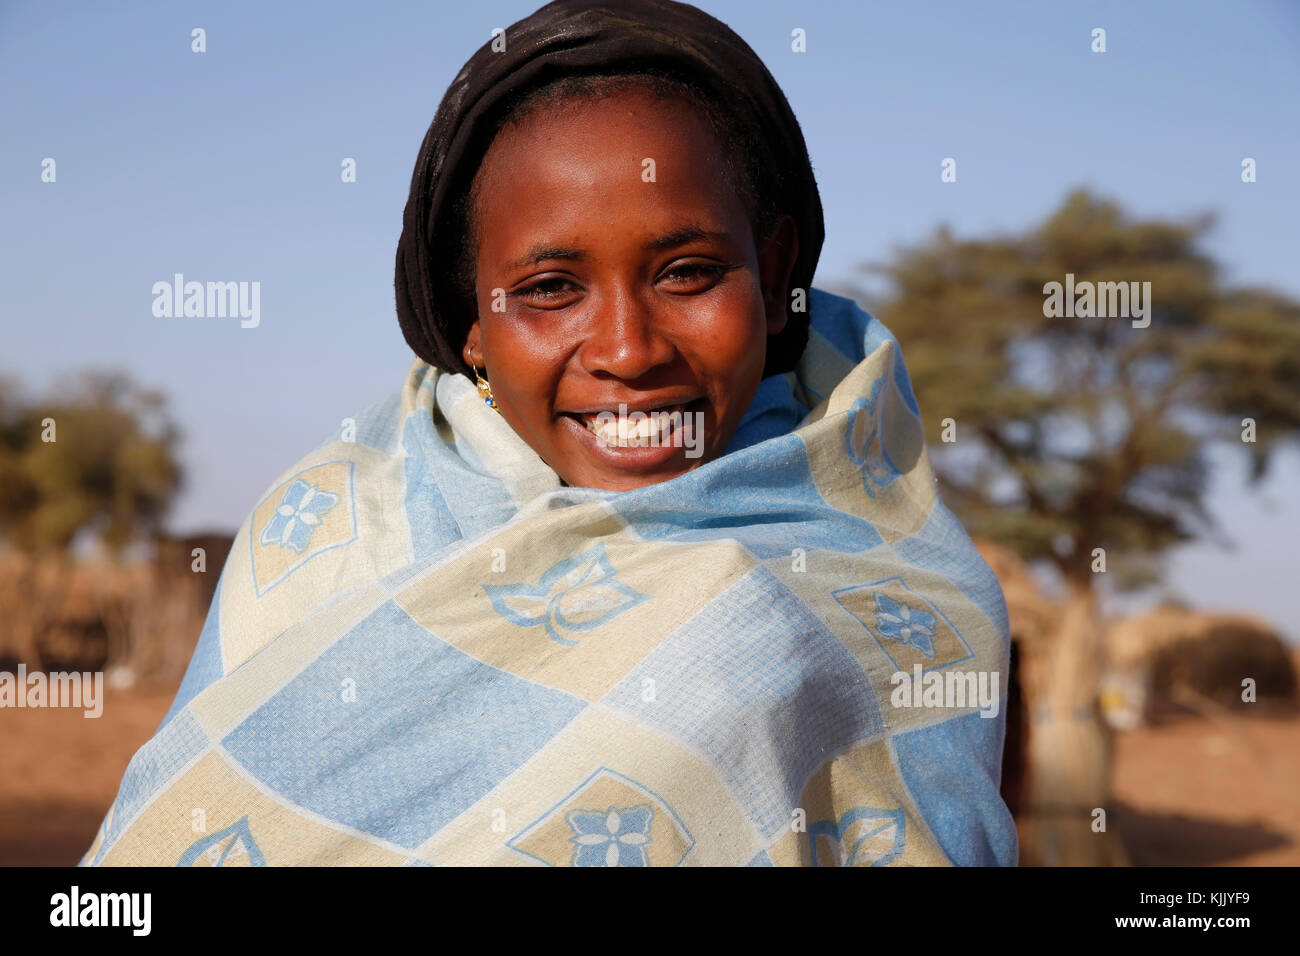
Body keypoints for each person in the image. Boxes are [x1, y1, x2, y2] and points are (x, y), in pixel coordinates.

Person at [82, 0, 1017, 867]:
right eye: (549, 290)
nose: (627, 348)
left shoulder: (873, 572)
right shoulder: (330, 526)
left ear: (774, 281)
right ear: (472, 328)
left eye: (687, 272)